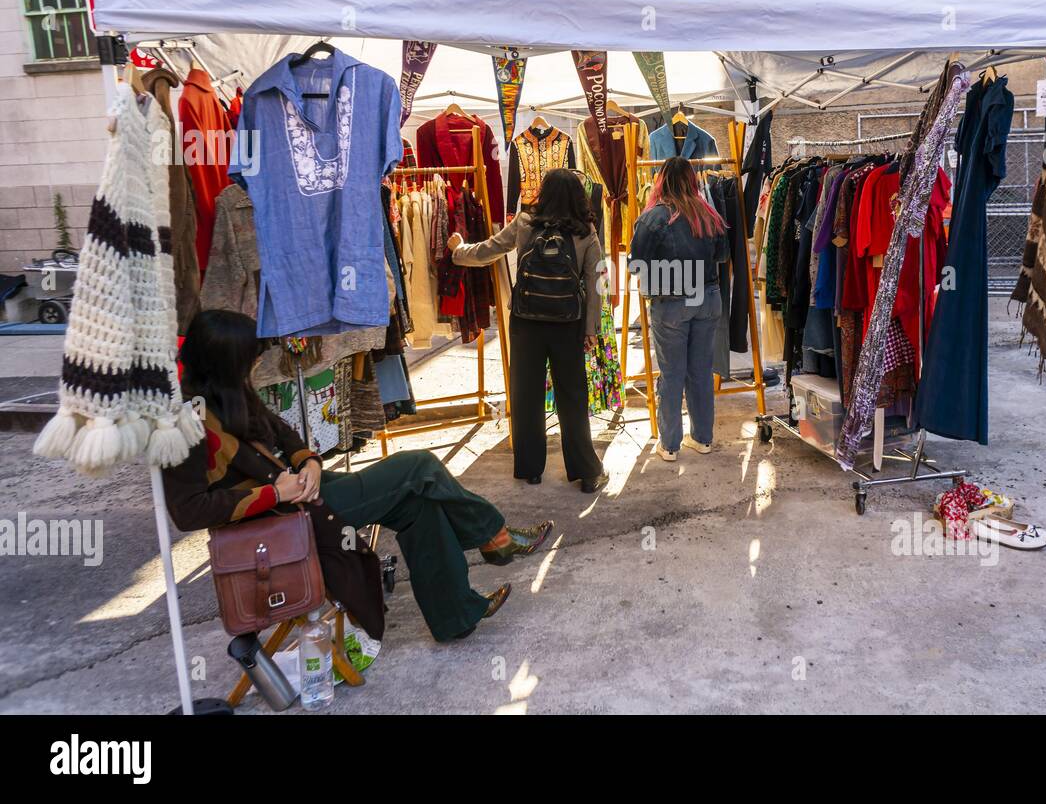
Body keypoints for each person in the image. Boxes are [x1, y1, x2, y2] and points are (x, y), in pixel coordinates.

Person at [163, 309, 553, 644]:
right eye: (247, 361)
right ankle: (494, 535)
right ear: (225, 363)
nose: (254, 367)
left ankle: (457, 617)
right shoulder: (186, 424)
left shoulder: (229, 395)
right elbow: (188, 511)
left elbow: (281, 432)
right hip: (282, 522)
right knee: (419, 466)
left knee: (419, 504)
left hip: (298, 495)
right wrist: (274, 494)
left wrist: (310, 460)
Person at [450, 168, 608, 493]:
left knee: (526, 395)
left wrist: (457, 250)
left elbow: (487, 251)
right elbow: (596, 284)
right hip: (568, 323)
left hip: (526, 322)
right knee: (573, 397)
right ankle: (585, 471)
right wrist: (591, 329)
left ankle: (531, 468)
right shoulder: (585, 232)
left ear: (545, 194)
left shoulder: (524, 224)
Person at [629, 155, 727, 461]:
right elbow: (722, 256)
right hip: (708, 297)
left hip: (671, 301)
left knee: (671, 374)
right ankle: (703, 438)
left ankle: (669, 445)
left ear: (661, 180)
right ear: (692, 180)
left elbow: (636, 265)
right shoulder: (709, 213)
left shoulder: (654, 217)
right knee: (700, 371)